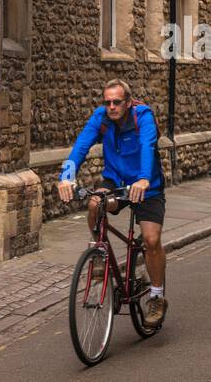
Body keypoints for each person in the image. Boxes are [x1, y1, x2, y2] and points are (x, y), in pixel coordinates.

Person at [57, 78, 168, 328]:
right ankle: (99, 255)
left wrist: (142, 179)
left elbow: (147, 147)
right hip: (116, 181)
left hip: (146, 186)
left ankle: (157, 296)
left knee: (151, 240)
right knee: (95, 203)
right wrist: (65, 177)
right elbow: (80, 147)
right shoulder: (101, 118)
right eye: (107, 102)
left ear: (128, 102)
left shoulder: (143, 117)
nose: (111, 107)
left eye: (117, 102)